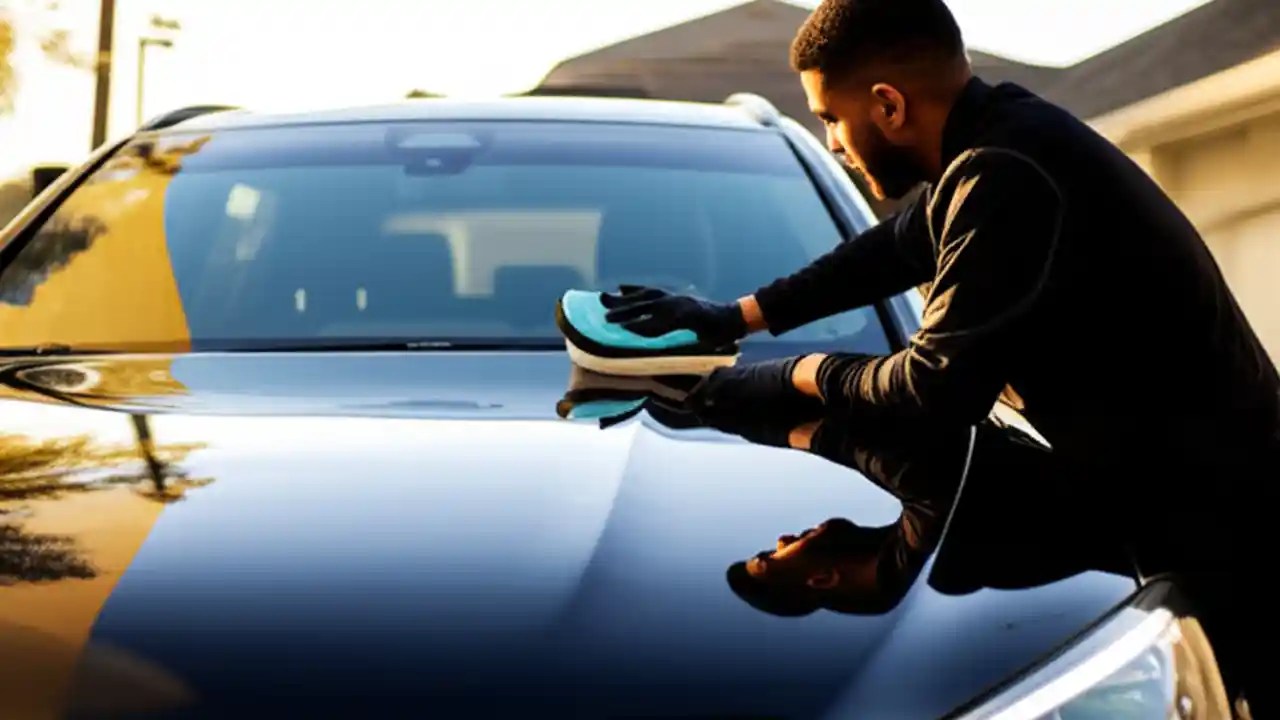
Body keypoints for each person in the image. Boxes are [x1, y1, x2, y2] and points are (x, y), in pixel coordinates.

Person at [602, 0, 1280, 467]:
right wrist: (733, 317)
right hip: (1187, 495)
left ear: (887, 105)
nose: (832, 143)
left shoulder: (1007, 174)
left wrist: (796, 375)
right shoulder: (998, 145)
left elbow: (935, 392)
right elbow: (893, 249)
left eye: (830, 119)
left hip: (1226, 527)